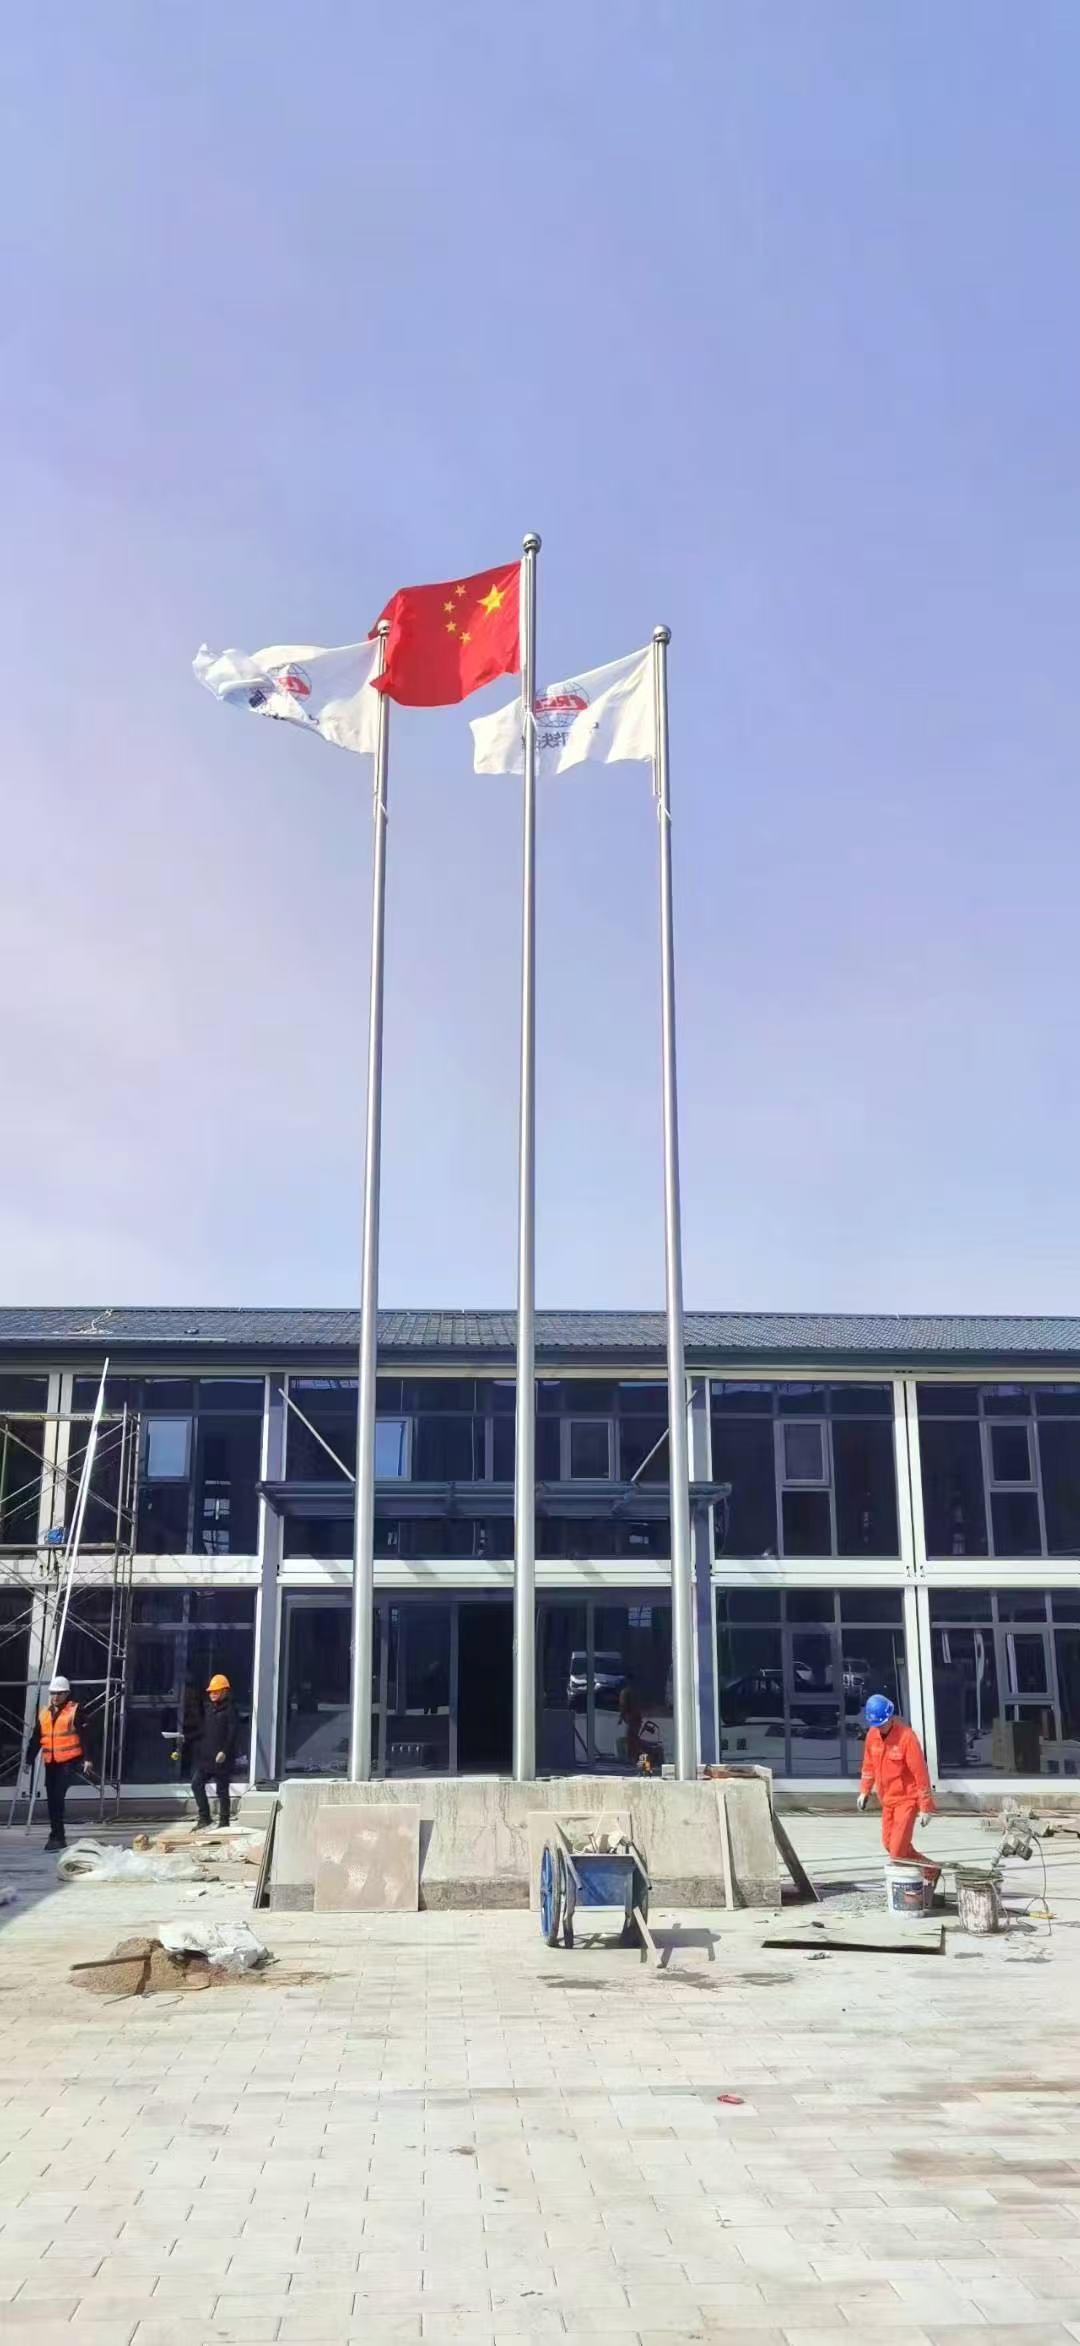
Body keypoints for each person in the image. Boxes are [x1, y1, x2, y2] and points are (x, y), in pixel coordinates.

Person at [857, 1693, 937, 1873]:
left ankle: (923, 1876)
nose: (881, 1728)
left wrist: (925, 1807)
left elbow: (920, 1774)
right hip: (887, 1800)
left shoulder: (906, 1737)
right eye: (877, 1725)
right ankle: (931, 1869)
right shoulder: (872, 1736)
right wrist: (864, 1791)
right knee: (889, 1843)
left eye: (883, 1723)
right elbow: (868, 1765)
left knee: (897, 1850)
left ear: (891, 1717)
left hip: (906, 1800)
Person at [24, 1675, 95, 1852]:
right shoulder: (44, 1713)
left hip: (69, 1761)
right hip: (51, 1762)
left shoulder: (75, 1711)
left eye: (59, 1693)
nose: (55, 1697)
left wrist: (88, 1758)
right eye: (53, 1693)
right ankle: (56, 1835)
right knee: (52, 1799)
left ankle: (57, 1835)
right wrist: (28, 1760)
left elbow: (86, 1737)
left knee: (57, 1797)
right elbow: (36, 1739)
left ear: (67, 1694)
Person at [190, 1672, 238, 1830]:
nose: (212, 1694)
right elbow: (203, 1731)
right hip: (207, 1758)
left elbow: (232, 1733)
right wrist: (187, 1738)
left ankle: (224, 1822)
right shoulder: (209, 1709)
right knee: (196, 1784)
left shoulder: (230, 1710)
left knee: (222, 1790)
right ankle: (205, 1818)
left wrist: (224, 1751)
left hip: (222, 1759)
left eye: (216, 1691)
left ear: (225, 1691)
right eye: (211, 1691)